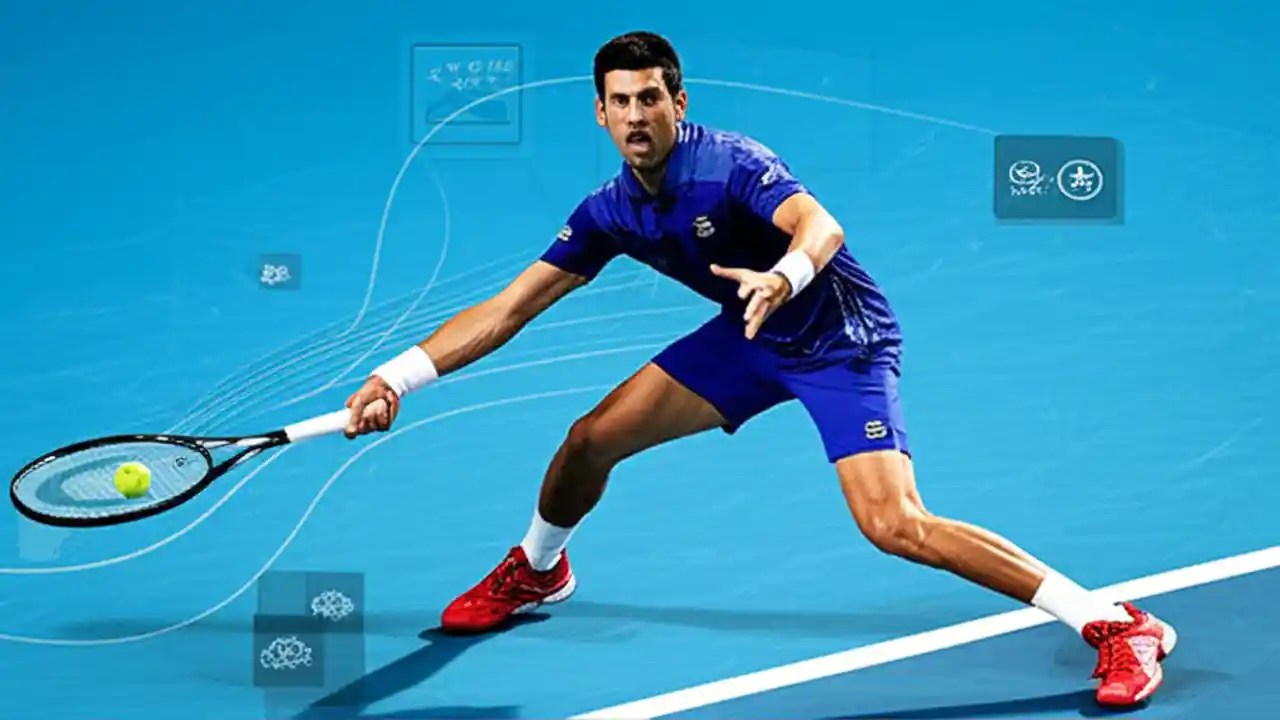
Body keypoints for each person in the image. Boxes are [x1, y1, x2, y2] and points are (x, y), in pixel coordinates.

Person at [342, 31, 1176, 708]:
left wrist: (784, 275)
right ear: (599, 114)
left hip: (839, 339)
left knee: (894, 524)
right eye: (620, 102)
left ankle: (1114, 623)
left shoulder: (732, 165)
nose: (636, 116)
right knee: (589, 441)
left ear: (679, 103)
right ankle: (538, 567)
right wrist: (394, 378)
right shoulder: (609, 211)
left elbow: (821, 226)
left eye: (651, 99)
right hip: (748, 337)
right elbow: (507, 309)